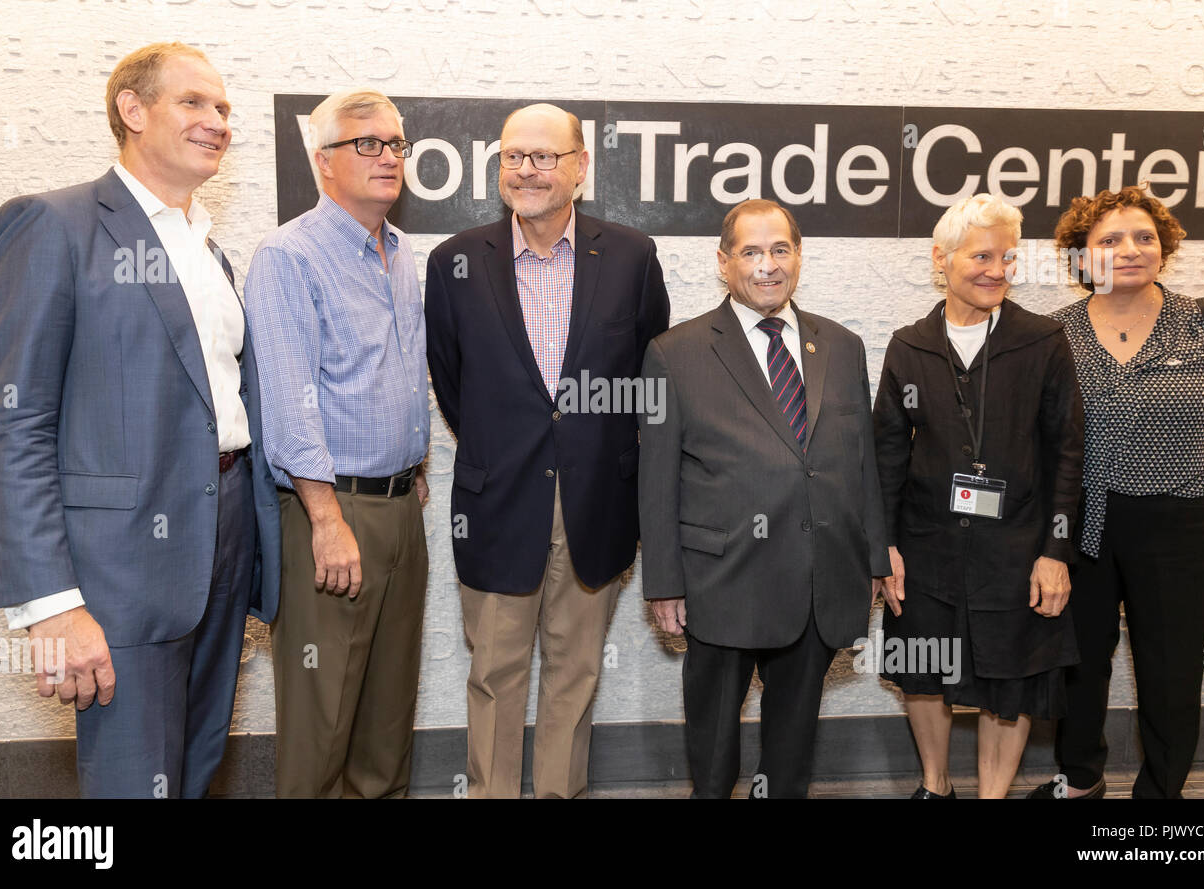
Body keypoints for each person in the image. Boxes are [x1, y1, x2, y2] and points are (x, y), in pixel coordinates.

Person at [0, 42, 280, 798]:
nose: (217, 122)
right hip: (117, 569)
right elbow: (16, 425)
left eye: (224, 109)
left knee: (196, 765)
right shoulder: (52, 225)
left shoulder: (211, 253)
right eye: (194, 103)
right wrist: (52, 602)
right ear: (132, 111)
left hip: (222, 538)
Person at [425, 102, 669, 798]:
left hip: (597, 500)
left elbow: (647, 373)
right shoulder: (456, 262)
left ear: (581, 166)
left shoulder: (630, 256)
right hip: (498, 500)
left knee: (576, 671)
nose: (527, 170)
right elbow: (453, 380)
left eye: (544, 156)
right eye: (512, 156)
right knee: (495, 673)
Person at [638, 198, 889, 799]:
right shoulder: (673, 353)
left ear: (798, 256)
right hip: (722, 583)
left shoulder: (843, 346)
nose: (767, 266)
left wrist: (874, 559)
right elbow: (656, 478)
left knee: (793, 745)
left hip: (818, 579)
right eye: (750, 251)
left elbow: (864, 465)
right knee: (715, 744)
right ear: (724, 263)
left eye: (780, 249)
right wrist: (664, 582)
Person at [1031, 186, 1204, 799]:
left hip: (1185, 527)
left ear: (1165, 248)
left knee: (1172, 674)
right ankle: (1079, 779)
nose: (1129, 250)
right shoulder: (1055, 334)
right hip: (1084, 523)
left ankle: (1160, 798)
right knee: (1079, 666)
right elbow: (1042, 443)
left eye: (1143, 237)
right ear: (1081, 256)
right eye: (1108, 240)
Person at [244, 89, 430, 799]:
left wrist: (415, 463)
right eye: (367, 144)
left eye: (395, 144)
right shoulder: (289, 256)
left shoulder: (401, 249)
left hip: (398, 508)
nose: (388, 157)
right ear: (324, 162)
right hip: (330, 513)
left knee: (386, 725)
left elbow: (400, 369)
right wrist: (326, 520)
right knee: (320, 731)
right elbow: (289, 404)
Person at [872, 193, 1084, 799]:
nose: (997, 269)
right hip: (926, 547)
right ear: (943, 259)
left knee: (1008, 679)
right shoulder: (909, 346)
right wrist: (884, 547)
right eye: (981, 255)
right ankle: (935, 787)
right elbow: (887, 455)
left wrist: (1055, 553)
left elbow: (1070, 453)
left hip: (1017, 547)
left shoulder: (1041, 341)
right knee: (924, 670)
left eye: (1008, 257)